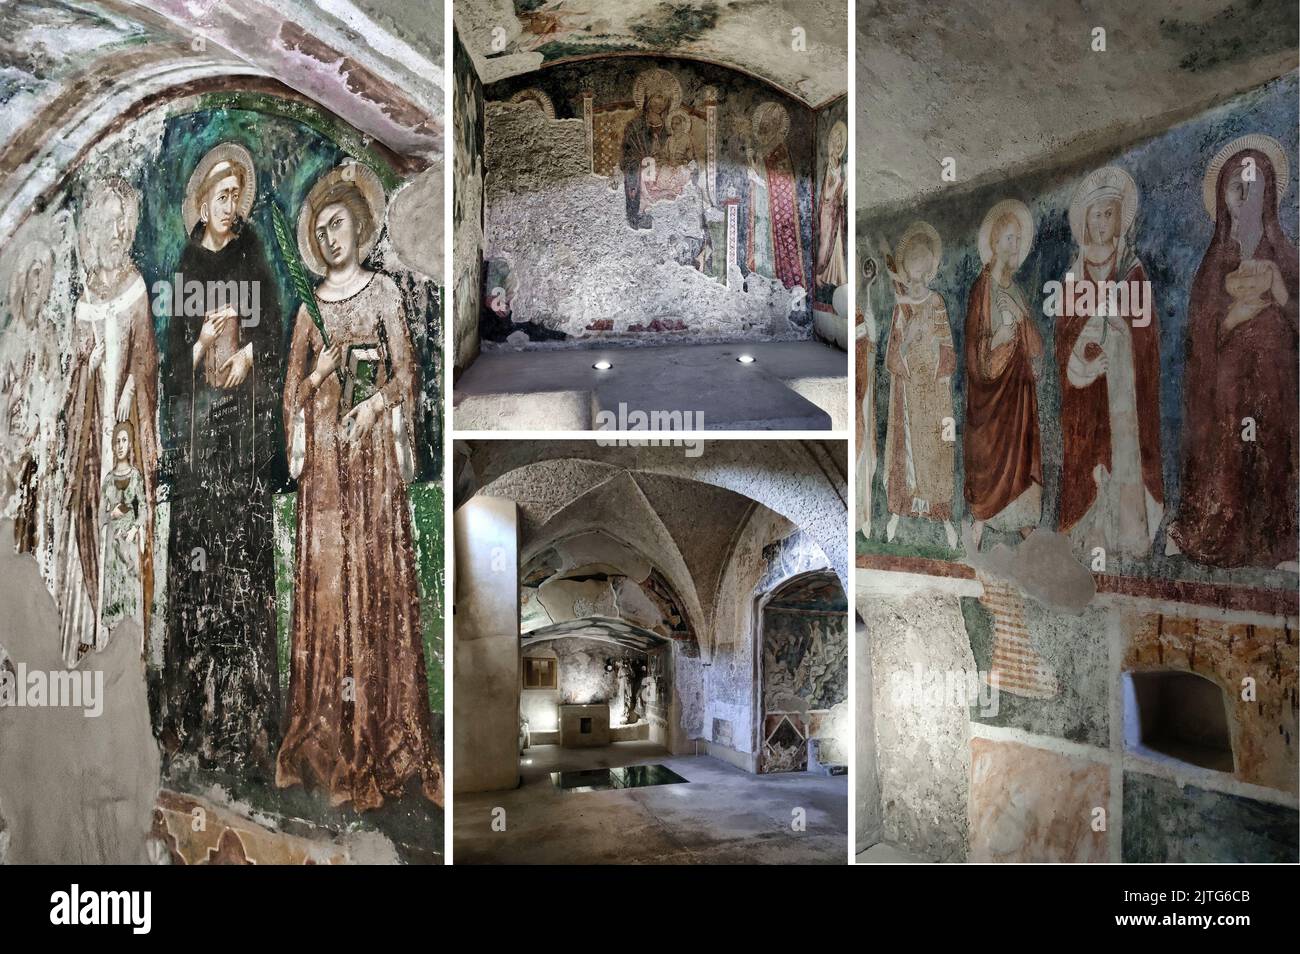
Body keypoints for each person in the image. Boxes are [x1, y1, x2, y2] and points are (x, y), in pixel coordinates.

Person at [276, 163, 442, 810]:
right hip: (324, 464)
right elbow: (292, 390)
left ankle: (380, 729)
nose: (330, 236)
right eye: (320, 229)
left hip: (369, 459)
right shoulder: (307, 307)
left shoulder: (383, 295)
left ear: (360, 227)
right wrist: (318, 378)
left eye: (338, 223)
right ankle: (327, 729)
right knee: (329, 582)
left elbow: (407, 375)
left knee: (372, 577)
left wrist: (373, 408)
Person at [156, 142, 284, 777]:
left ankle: (246, 727)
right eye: (223, 195)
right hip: (201, 448)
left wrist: (249, 356)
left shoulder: (253, 254)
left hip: (244, 444)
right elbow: (174, 362)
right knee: (198, 577)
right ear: (203, 200)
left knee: (245, 577)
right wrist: (203, 341)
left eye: (239, 195)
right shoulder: (185, 263)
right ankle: (194, 719)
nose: (232, 206)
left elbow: (273, 329)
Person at [1168, 135, 1298, 569]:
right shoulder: (1214, 260)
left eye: (1254, 185)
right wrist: (1233, 317)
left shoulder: (1284, 254)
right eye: (1236, 187)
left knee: (1273, 455)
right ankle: (1220, 536)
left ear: (1269, 193)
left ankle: (1276, 546)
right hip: (1227, 390)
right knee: (1229, 460)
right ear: (1222, 196)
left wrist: (1279, 291)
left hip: (1276, 385)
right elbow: (1199, 339)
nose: (1245, 195)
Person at [1057, 167, 1163, 560]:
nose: (1102, 222)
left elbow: (1147, 334)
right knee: (1088, 458)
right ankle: (1090, 533)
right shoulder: (1074, 274)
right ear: (1084, 221)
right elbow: (1063, 333)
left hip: (1123, 386)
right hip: (1085, 387)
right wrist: (1083, 347)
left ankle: (1130, 537)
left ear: (1121, 219)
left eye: (1109, 213)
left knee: (1124, 456)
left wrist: (1120, 330)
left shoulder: (1133, 271)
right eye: (1095, 214)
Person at [963, 199, 1043, 550]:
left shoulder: (1018, 291)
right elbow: (972, 345)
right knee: (988, 451)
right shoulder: (982, 290)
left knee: (1020, 450)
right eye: (1009, 238)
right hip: (989, 391)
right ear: (994, 243)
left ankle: (1022, 520)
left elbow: (1036, 347)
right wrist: (995, 340)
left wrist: (1022, 326)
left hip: (1018, 389)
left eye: (1018, 239)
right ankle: (982, 516)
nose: (1014, 246)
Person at [880, 223, 958, 549]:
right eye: (909, 278)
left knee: (937, 454)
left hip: (934, 395)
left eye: (919, 278)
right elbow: (892, 353)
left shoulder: (936, 303)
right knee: (905, 454)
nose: (914, 284)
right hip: (908, 393)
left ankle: (943, 517)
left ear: (928, 275)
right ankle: (899, 511)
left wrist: (938, 374)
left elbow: (947, 347)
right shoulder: (902, 307)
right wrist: (906, 348)